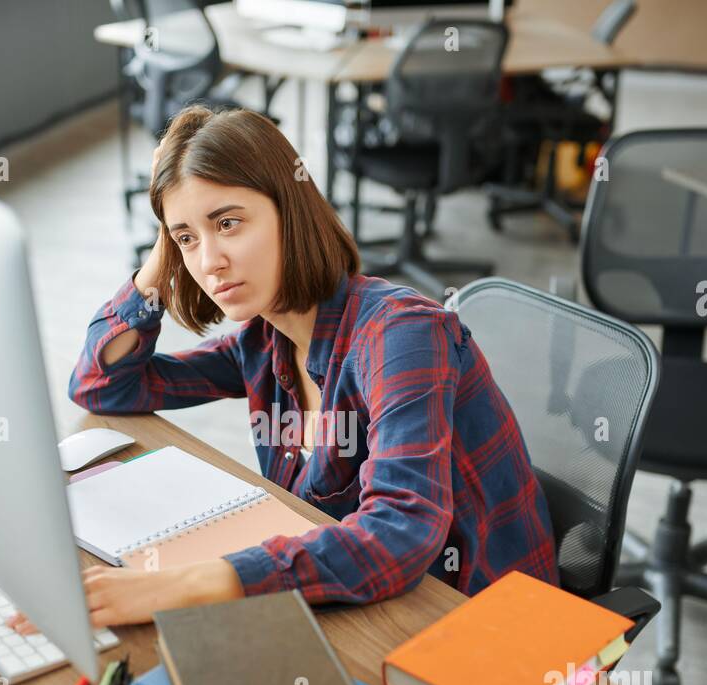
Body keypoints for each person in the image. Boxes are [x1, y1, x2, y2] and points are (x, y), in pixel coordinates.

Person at [28, 104, 556, 629]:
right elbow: (103, 386)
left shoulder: (403, 335)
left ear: (290, 211)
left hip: (483, 619)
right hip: (366, 601)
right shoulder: (265, 342)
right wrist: (159, 264)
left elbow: (400, 532)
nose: (209, 261)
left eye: (228, 223)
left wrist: (184, 582)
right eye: (187, 238)